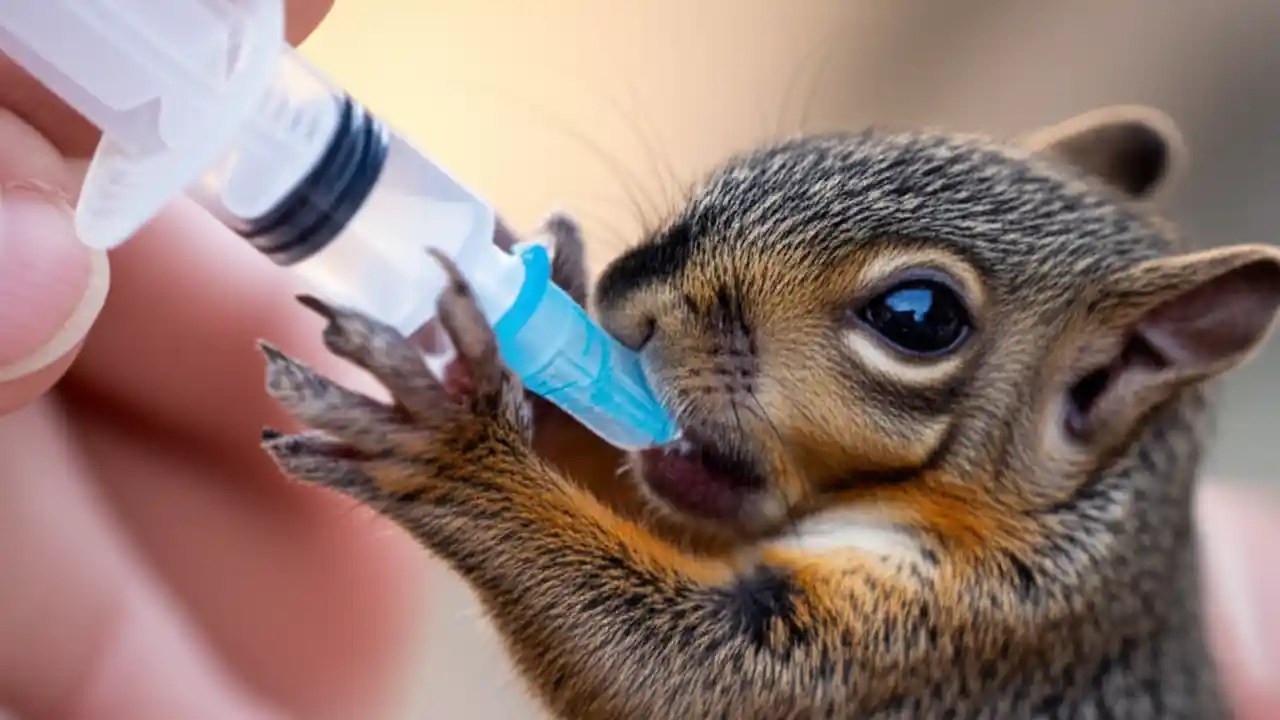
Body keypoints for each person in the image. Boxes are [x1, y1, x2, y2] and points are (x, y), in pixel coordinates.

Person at [0, 1, 1273, 718]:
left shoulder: (1002, 608)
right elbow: (670, 513)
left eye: (912, 324)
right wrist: (517, 443)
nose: (644, 338)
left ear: (1099, 386)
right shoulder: (884, 511)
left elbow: (696, 677)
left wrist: (469, 483)